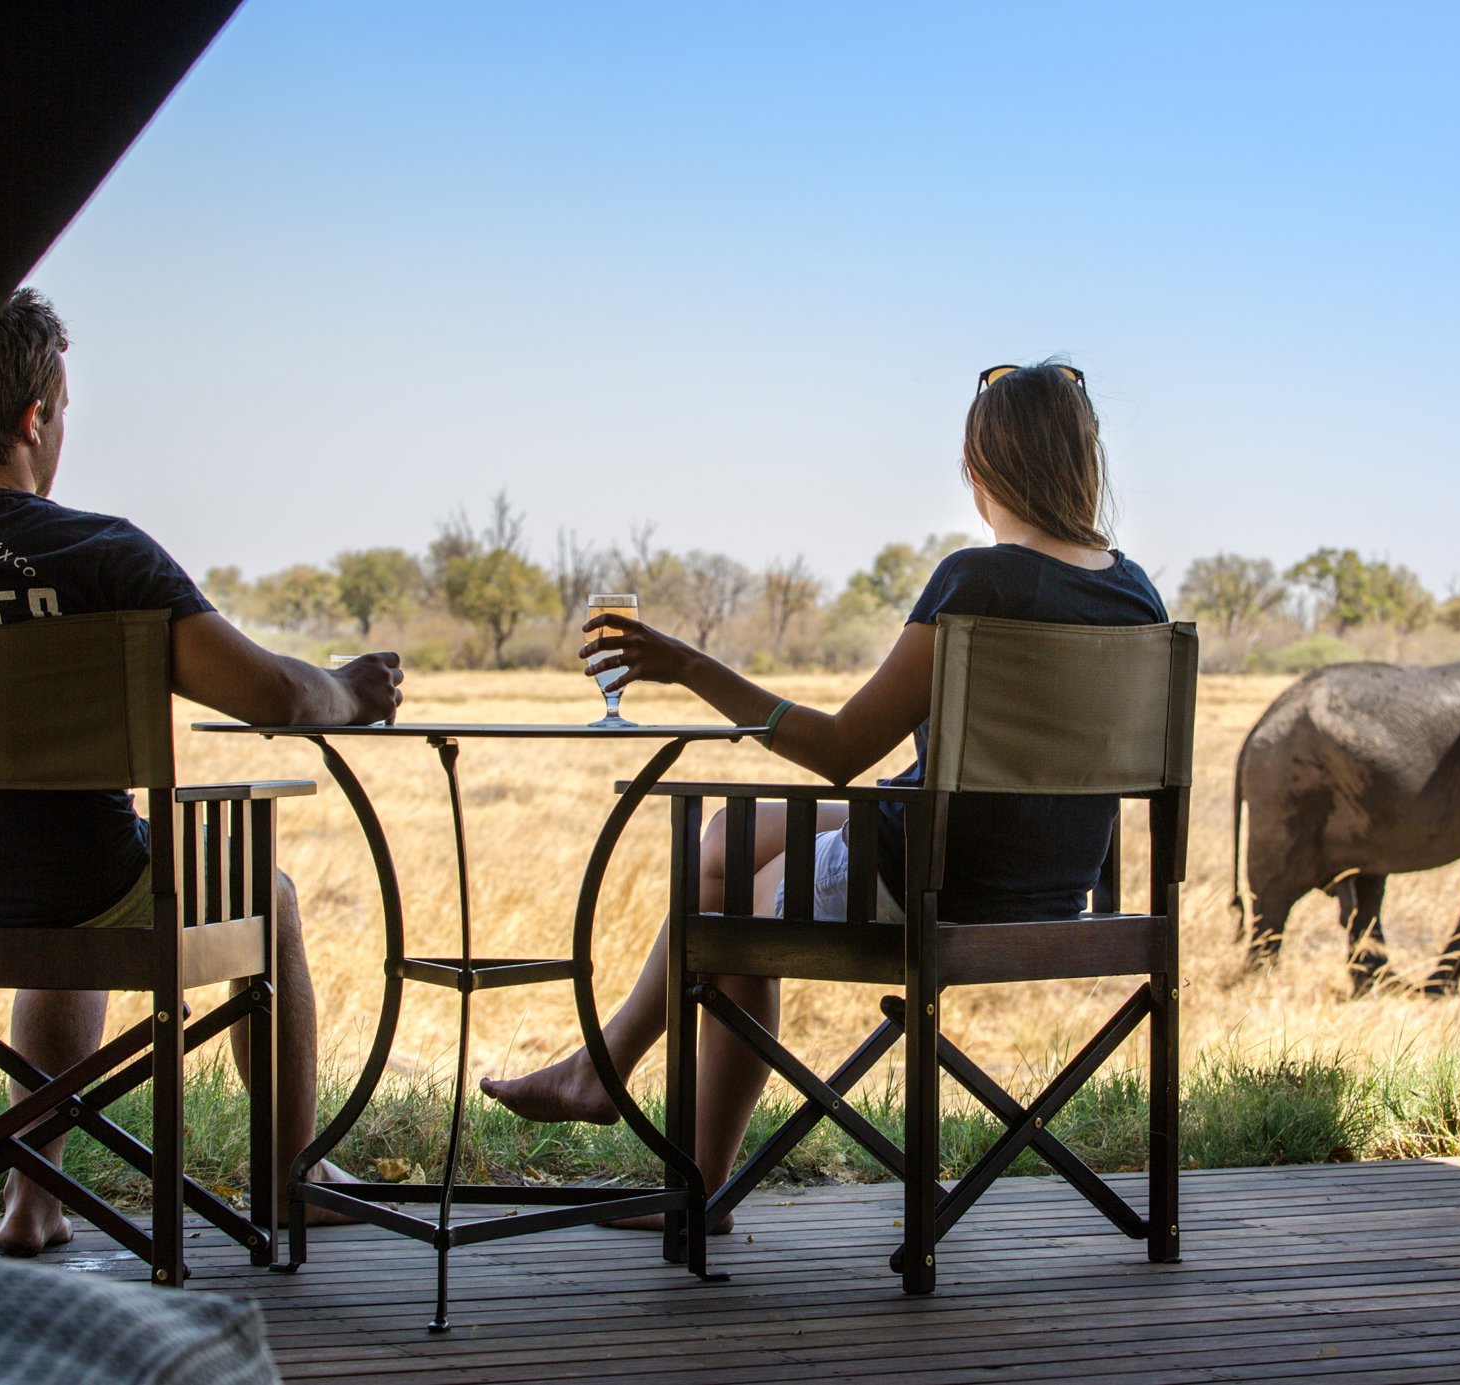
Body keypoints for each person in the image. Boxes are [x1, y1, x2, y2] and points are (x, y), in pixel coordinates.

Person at [482, 361, 1167, 1229]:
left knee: (731, 912)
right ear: (1084, 459)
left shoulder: (977, 582)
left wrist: (689, 665)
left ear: (979, 466)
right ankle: (605, 1070)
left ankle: (686, 1172)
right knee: (729, 835)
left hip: (932, 876)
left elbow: (840, 750)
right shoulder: (1136, 593)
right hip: (1054, 889)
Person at [0, 289, 402, 1255]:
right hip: (81, 881)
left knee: (73, 890)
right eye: (64, 410)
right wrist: (352, 688)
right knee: (267, 894)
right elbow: (275, 696)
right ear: (34, 416)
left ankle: (32, 1199)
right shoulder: (100, 552)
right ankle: (290, 1176)